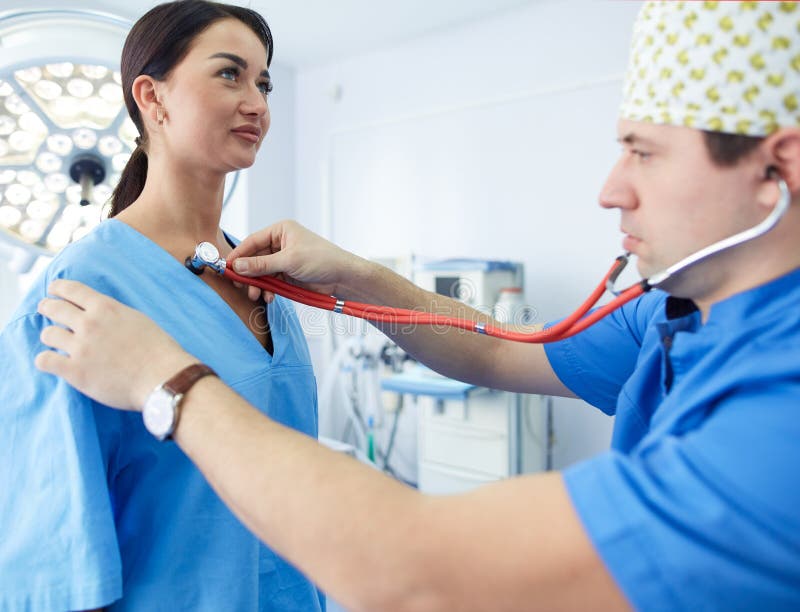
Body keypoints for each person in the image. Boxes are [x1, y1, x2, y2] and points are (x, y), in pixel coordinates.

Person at [33, 1, 800, 610]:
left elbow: (412, 567)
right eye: (230, 74)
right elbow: (499, 348)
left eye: (644, 152)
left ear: (778, 171)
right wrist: (356, 278)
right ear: (150, 98)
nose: (610, 190)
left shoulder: (779, 410)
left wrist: (169, 383)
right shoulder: (673, 313)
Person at [0, 1, 324, 610]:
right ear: (152, 96)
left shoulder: (269, 279)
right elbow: (56, 554)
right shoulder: (82, 285)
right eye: (229, 74)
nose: (257, 103)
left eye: (264, 83)